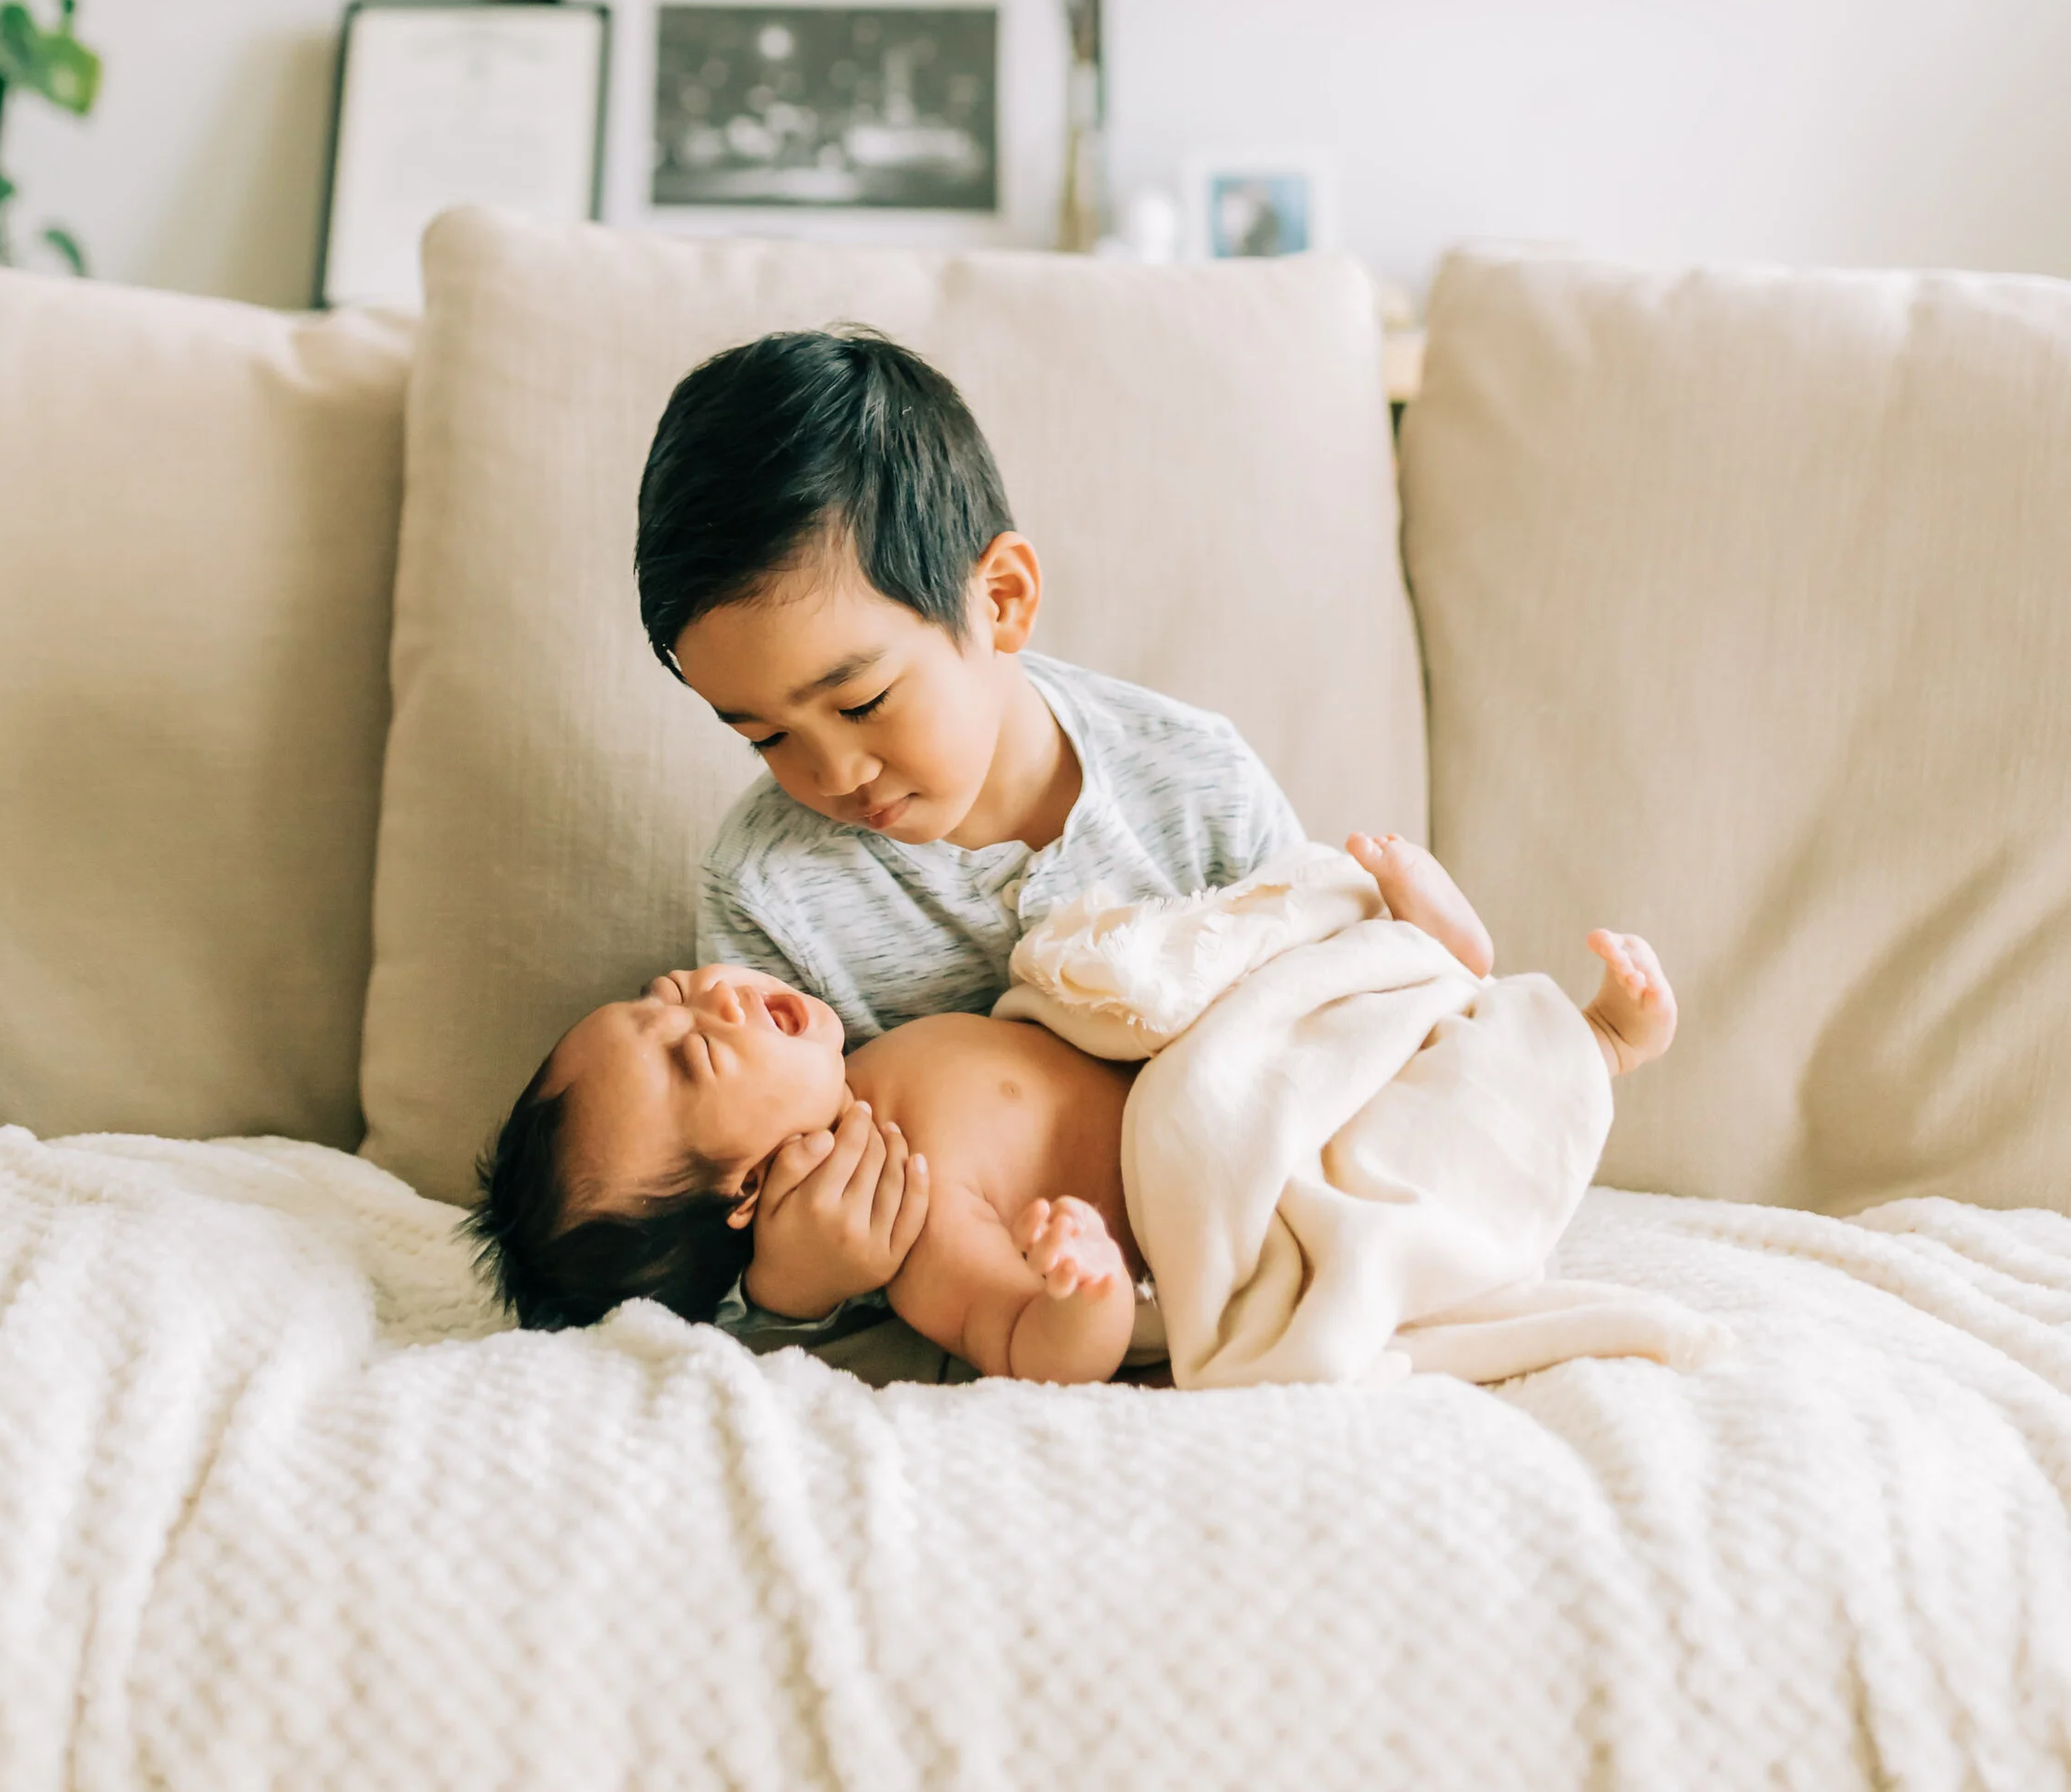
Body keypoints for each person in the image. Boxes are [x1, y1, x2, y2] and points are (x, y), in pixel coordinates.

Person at [612, 326, 1491, 1329]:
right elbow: (733, 1177)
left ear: (1001, 600)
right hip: (1017, 1294)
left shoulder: (1191, 778)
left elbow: (1319, 1017)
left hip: (1261, 1190)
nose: (832, 774)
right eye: (766, 735)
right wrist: (789, 1284)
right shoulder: (767, 886)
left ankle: (1464, 977)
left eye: (860, 705)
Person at [469, 924, 1678, 1382]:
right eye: (689, 1055)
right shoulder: (914, 1229)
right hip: (1228, 1168)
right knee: (1420, 1116)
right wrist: (1082, 1284)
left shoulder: (876, 1065)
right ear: (745, 1190)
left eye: (672, 991)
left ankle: (1463, 977)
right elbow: (1023, 1344)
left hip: (1250, 1066)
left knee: (1389, 1031)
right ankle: (1586, 1052)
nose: (716, 996)